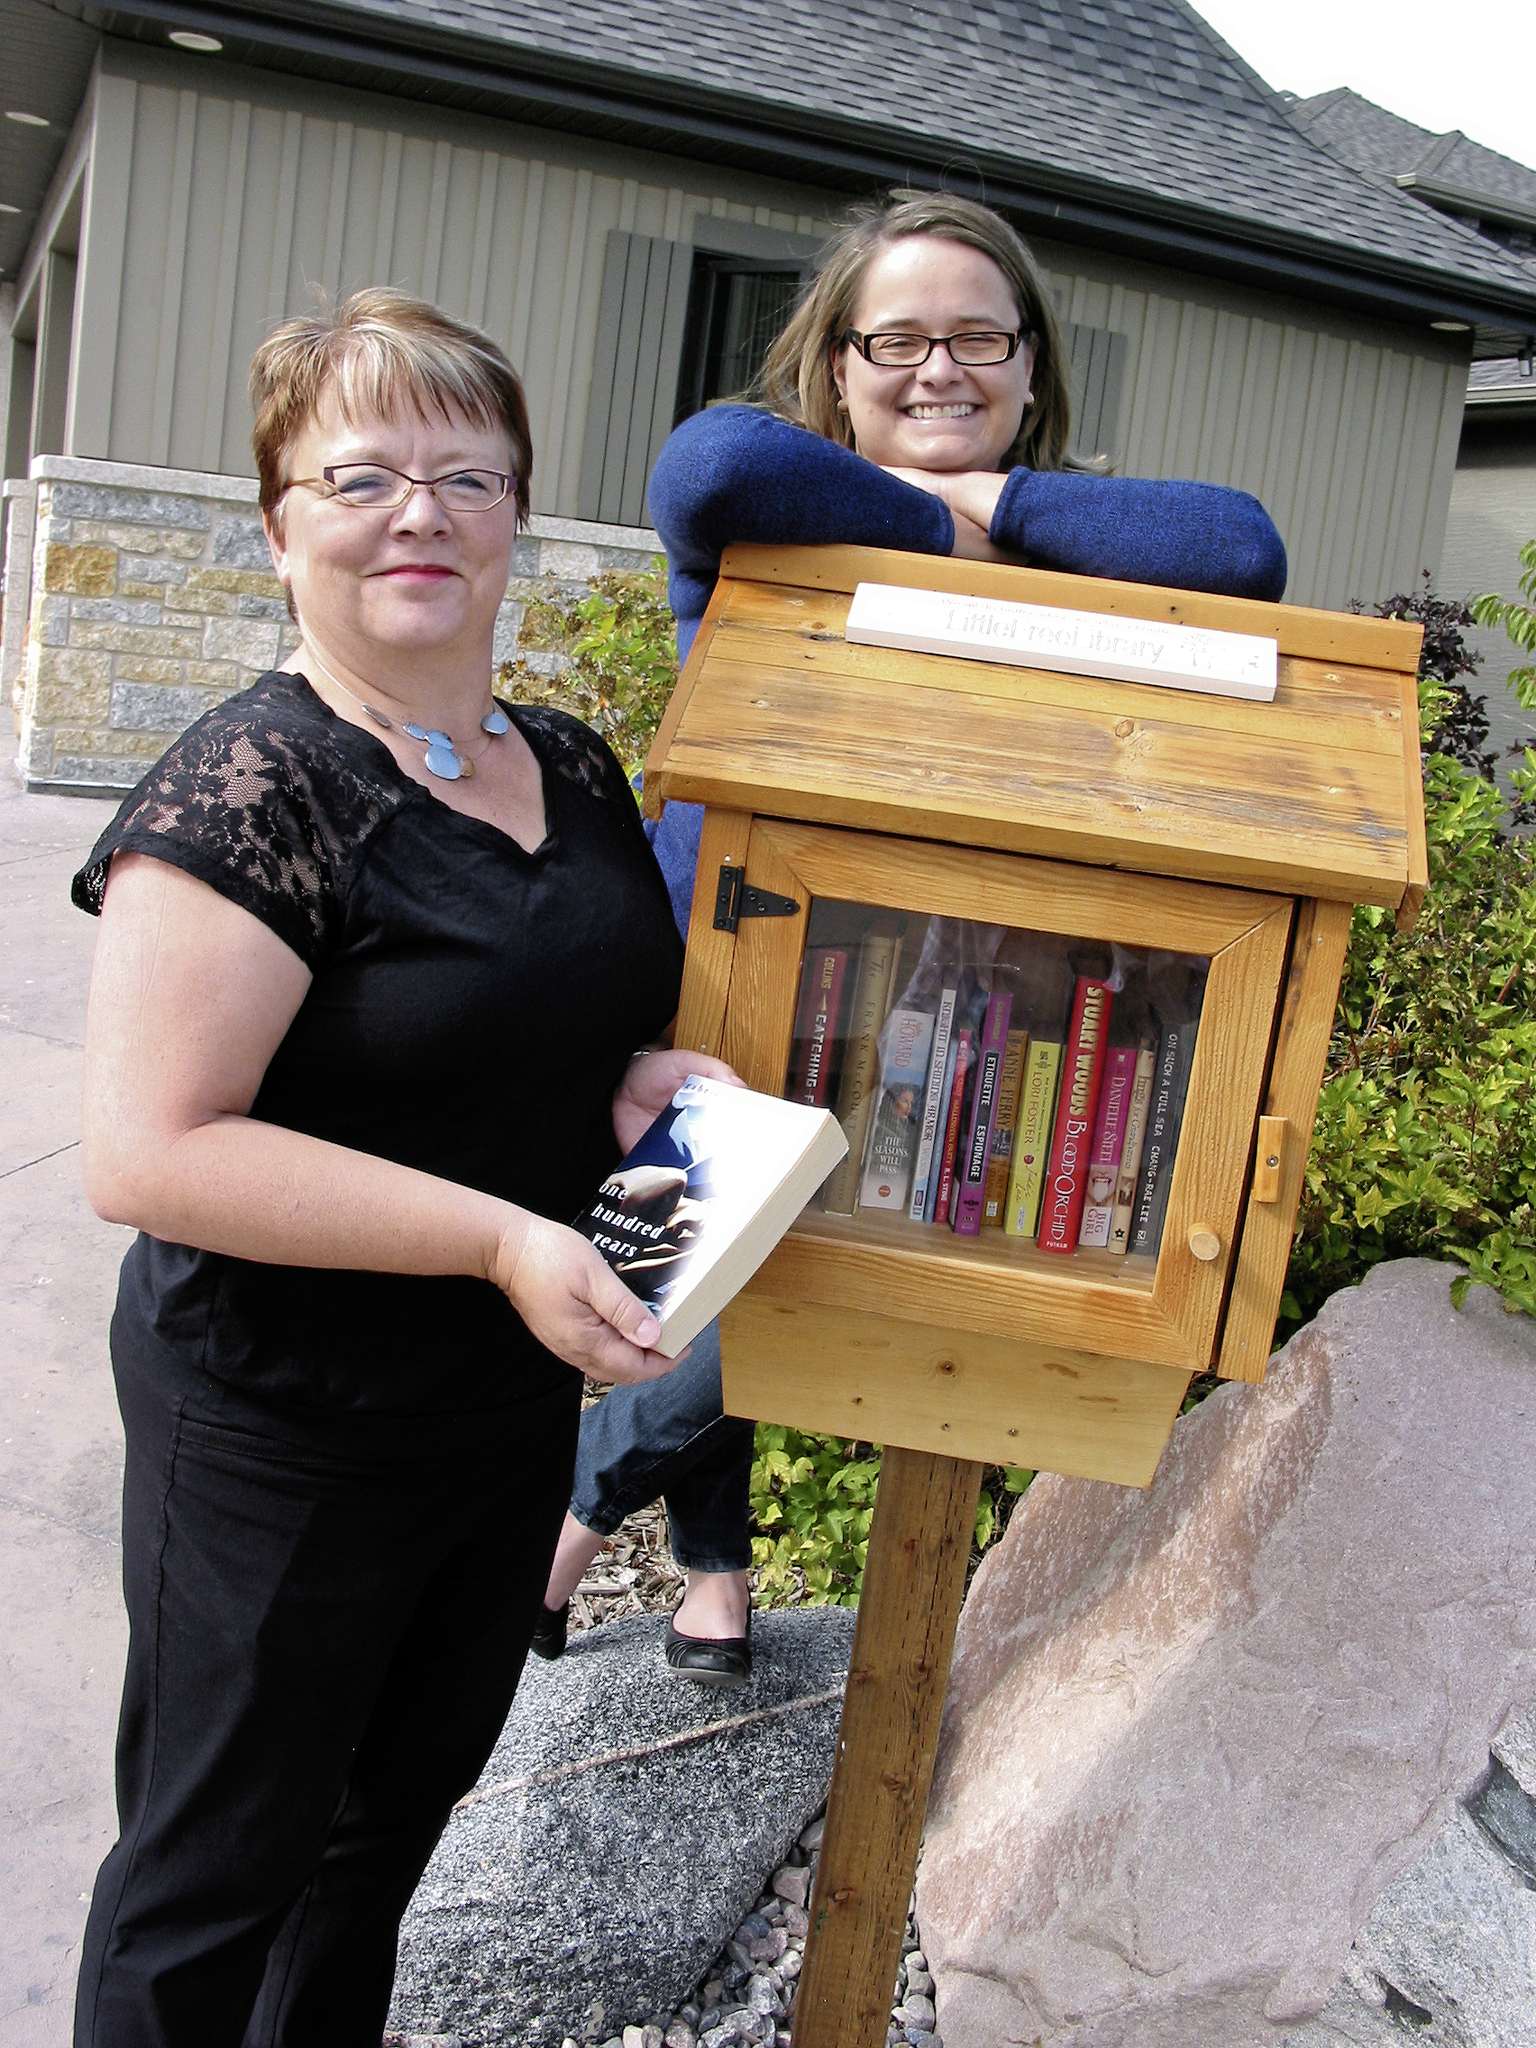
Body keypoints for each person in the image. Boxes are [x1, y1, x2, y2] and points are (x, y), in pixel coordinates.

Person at [69, 288, 736, 2048]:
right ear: (278, 525)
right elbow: (150, 1152)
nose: (418, 514)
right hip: (281, 1422)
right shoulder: (251, 791)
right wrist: (506, 1241)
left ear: (518, 511)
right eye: (360, 476)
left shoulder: (566, 761)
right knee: (217, 1871)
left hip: (495, 1415)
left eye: (466, 475)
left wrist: (626, 1075)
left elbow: (546, 1009)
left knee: (381, 1838)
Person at [533, 189, 1289, 1688]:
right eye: (897, 340)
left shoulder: (1069, 528)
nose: (938, 369)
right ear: (838, 363)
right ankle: (638, 1548)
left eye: (977, 339)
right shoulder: (771, 506)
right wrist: (936, 517)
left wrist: (994, 502)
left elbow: (1243, 547)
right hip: (722, 967)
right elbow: (711, 460)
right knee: (704, 1264)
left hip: (934, 984)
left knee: (798, 1262)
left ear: (1029, 363)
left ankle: (646, 1546)